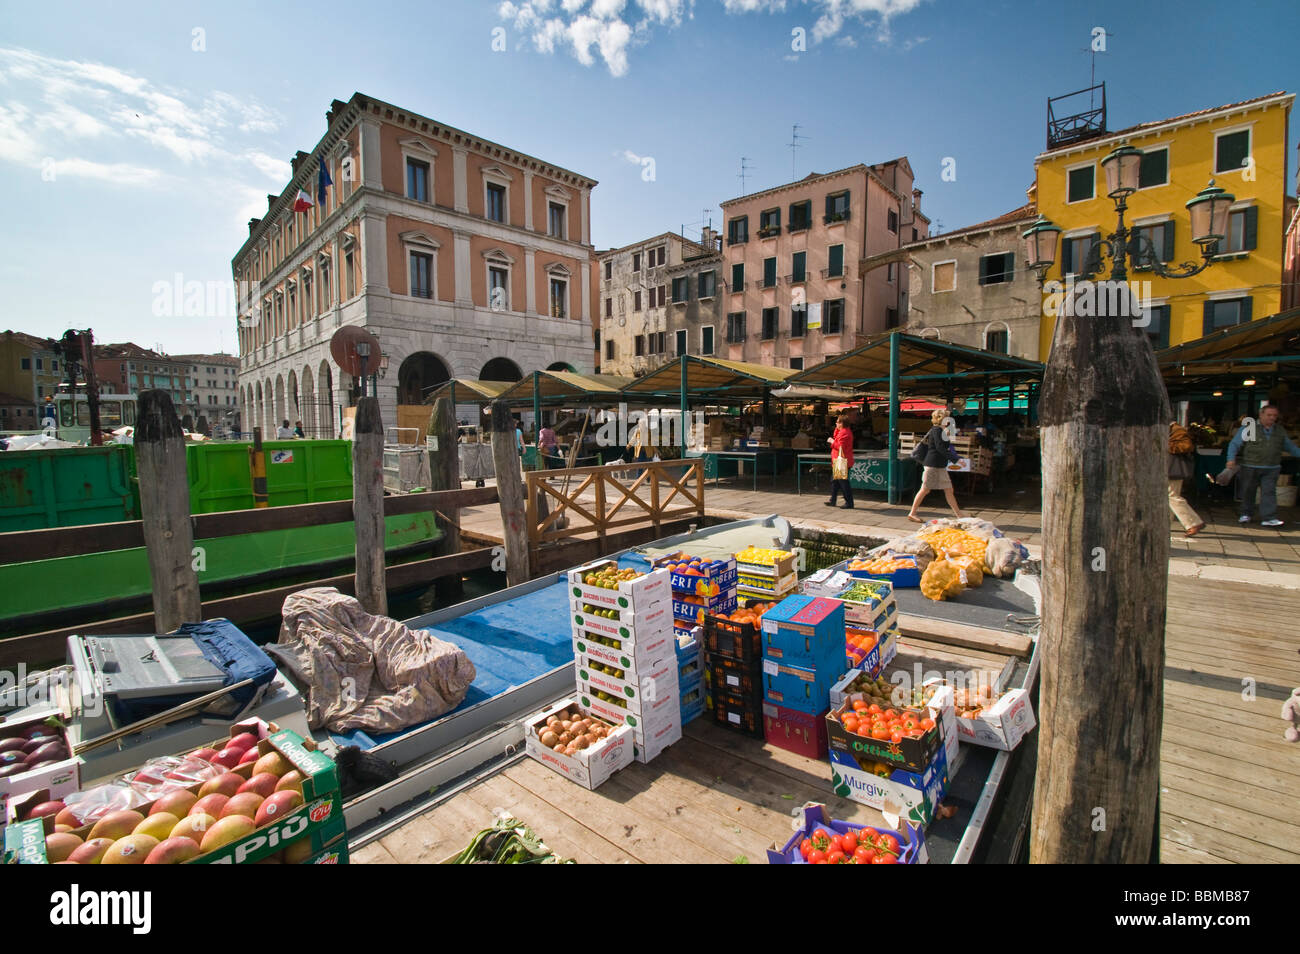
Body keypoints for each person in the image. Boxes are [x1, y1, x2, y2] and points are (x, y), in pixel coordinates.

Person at [1226, 404, 1300, 527]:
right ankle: (1246, 513)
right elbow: (1235, 444)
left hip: (1271, 467)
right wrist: (1230, 459)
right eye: (1269, 415)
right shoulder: (1250, 428)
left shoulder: (1279, 430)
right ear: (1261, 415)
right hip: (1251, 465)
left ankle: (1269, 517)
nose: (1272, 418)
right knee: (1248, 491)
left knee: (1269, 492)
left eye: (1275, 416)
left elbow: (1290, 447)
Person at [907, 408, 965, 522]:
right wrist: (956, 460)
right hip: (933, 465)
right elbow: (940, 448)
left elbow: (944, 447)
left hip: (938, 465)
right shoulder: (936, 430)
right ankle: (912, 513)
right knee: (925, 489)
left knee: (948, 490)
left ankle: (960, 516)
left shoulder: (940, 431)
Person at [1167, 421, 1205, 537]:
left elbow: (1187, 446)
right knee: (1168, 497)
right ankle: (1166, 523)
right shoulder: (1171, 429)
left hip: (1173, 468)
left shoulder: (1177, 430)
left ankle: (1193, 522)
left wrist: (1166, 445)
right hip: (1168, 467)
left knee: (1171, 496)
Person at [825, 414, 854, 510]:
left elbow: (840, 447)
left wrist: (832, 441)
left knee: (843, 483)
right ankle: (832, 500)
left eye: (837, 421)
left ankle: (849, 502)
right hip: (839, 460)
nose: (836, 423)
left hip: (841, 460)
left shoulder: (844, 433)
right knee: (835, 481)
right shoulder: (843, 431)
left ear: (842, 423)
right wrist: (837, 430)